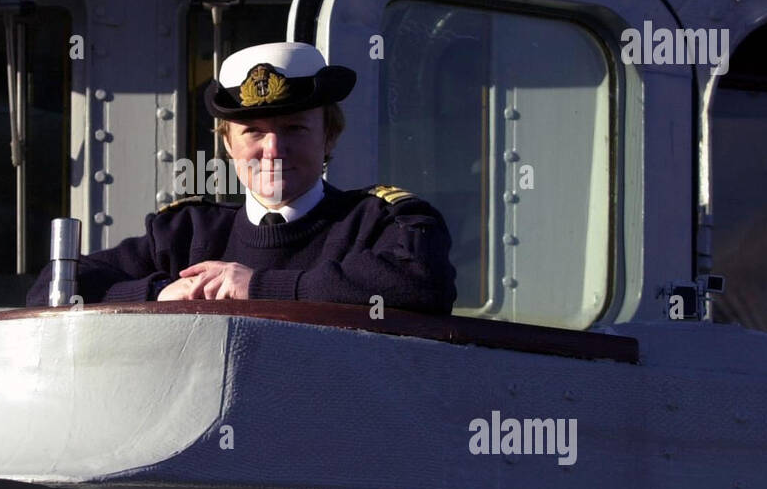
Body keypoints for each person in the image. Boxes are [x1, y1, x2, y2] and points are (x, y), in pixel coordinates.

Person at [26, 42, 457, 314]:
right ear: (228, 145)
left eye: (294, 129)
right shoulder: (184, 233)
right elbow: (54, 288)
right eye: (253, 132)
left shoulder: (376, 222)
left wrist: (257, 286)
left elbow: (423, 282)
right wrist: (159, 295)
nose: (272, 150)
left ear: (329, 136)